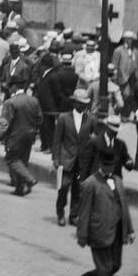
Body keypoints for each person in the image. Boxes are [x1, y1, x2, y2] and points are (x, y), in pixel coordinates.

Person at [76, 144, 135, 276]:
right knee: (104, 268)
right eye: (106, 165)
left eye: (112, 165)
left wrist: (130, 229)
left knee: (115, 265)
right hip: (99, 232)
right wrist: (82, 236)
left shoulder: (118, 181)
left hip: (117, 232)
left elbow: (124, 207)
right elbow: (84, 212)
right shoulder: (90, 184)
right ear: (100, 164)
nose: (109, 168)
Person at [53, 88, 95, 227]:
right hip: (66, 159)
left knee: (78, 189)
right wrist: (56, 158)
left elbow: (94, 137)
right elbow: (57, 140)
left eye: (84, 103)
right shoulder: (63, 118)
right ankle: (60, 213)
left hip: (82, 161)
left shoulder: (90, 119)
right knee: (63, 187)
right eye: (79, 103)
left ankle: (74, 215)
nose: (82, 106)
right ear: (74, 103)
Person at [0, 80, 40, 196]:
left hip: (15, 136)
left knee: (11, 159)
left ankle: (29, 179)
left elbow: (5, 123)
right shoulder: (34, 100)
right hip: (30, 135)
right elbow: (40, 119)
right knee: (23, 161)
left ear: (14, 87)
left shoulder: (10, 102)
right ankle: (20, 189)